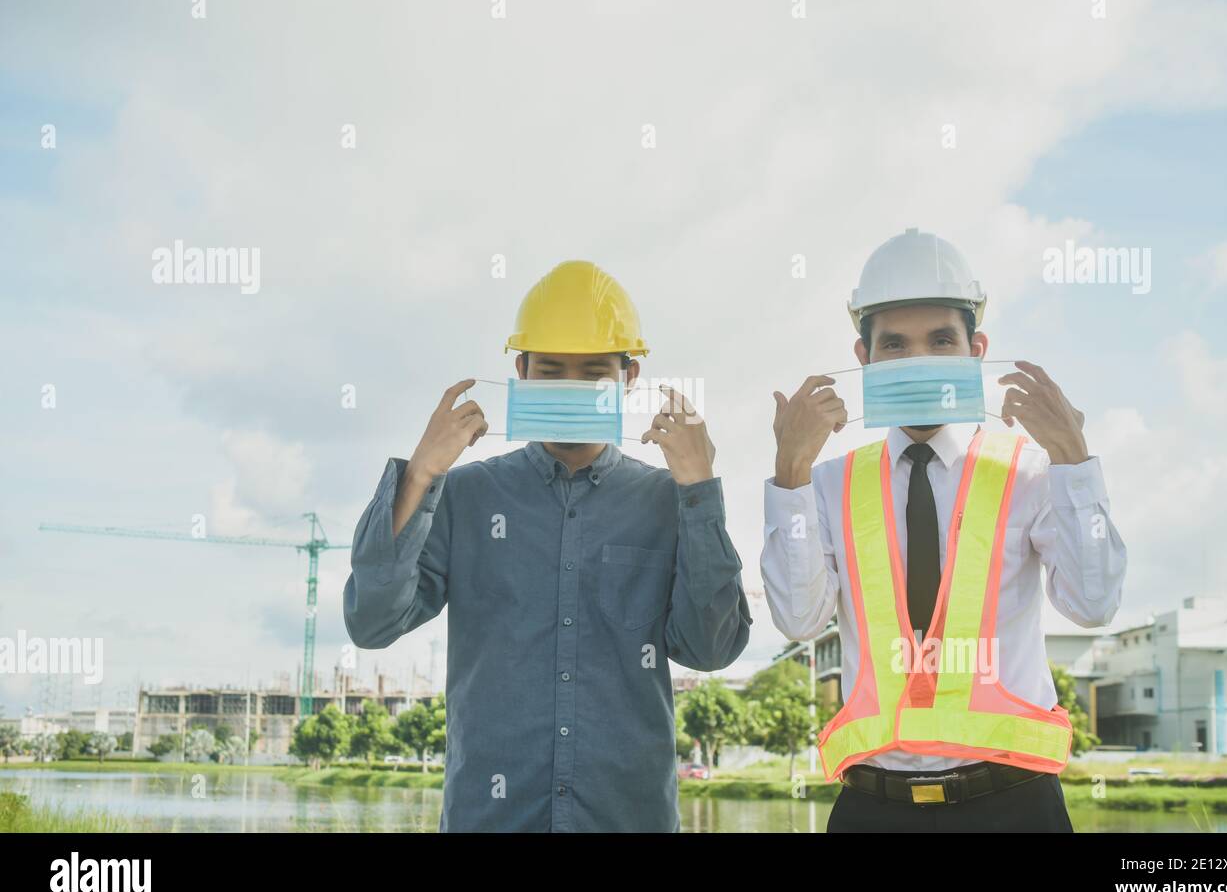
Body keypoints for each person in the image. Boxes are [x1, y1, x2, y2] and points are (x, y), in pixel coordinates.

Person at [343, 259, 752, 831]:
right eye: (553, 369)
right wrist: (419, 475)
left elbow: (710, 649)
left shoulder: (667, 499)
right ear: (521, 371)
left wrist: (699, 488)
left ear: (628, 378)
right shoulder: (463, 495)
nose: (571, 388)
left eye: (593, 373)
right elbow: (372, 621)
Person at [761, 228, 1126, 831]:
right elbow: (799, 620)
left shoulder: (1033, 472)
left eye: (940, 341)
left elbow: (1093, 605)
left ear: (975, 350)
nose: (919, 360)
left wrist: (1073, 458)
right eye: (896, 345)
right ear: (865, 359)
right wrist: (789, 473)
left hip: (1014, 805)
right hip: (872, 809)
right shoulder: (823, 484)